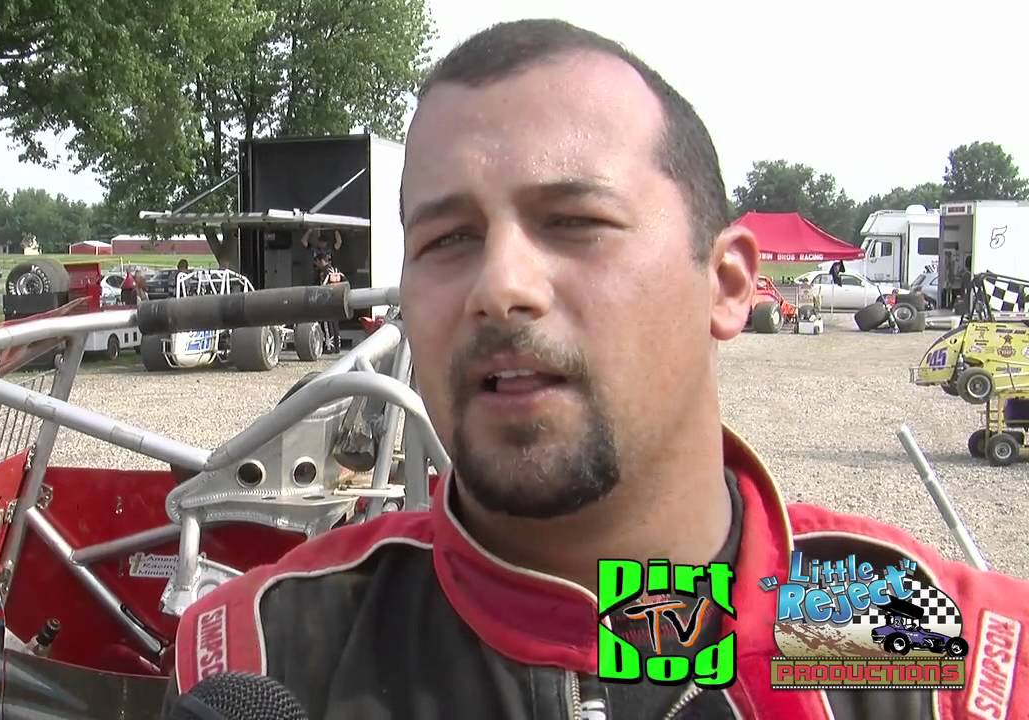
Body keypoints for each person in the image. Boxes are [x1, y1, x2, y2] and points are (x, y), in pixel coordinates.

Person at [168, 19, 1029, 720]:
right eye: (448, 239)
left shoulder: (945, 654)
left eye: (574, 221)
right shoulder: (266, 654)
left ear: (728, 285)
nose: (500, 286)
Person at [313, 251, 345, 353]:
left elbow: (323, 287)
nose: (317, 265)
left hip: (327, 301)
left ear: (321, 261)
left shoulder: (324, 272)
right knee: (335, 325)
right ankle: (337, 346)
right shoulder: (336, 270)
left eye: (317, 262)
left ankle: (329, 347)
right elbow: (345, 282)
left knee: (327, 325)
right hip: (337, 300)